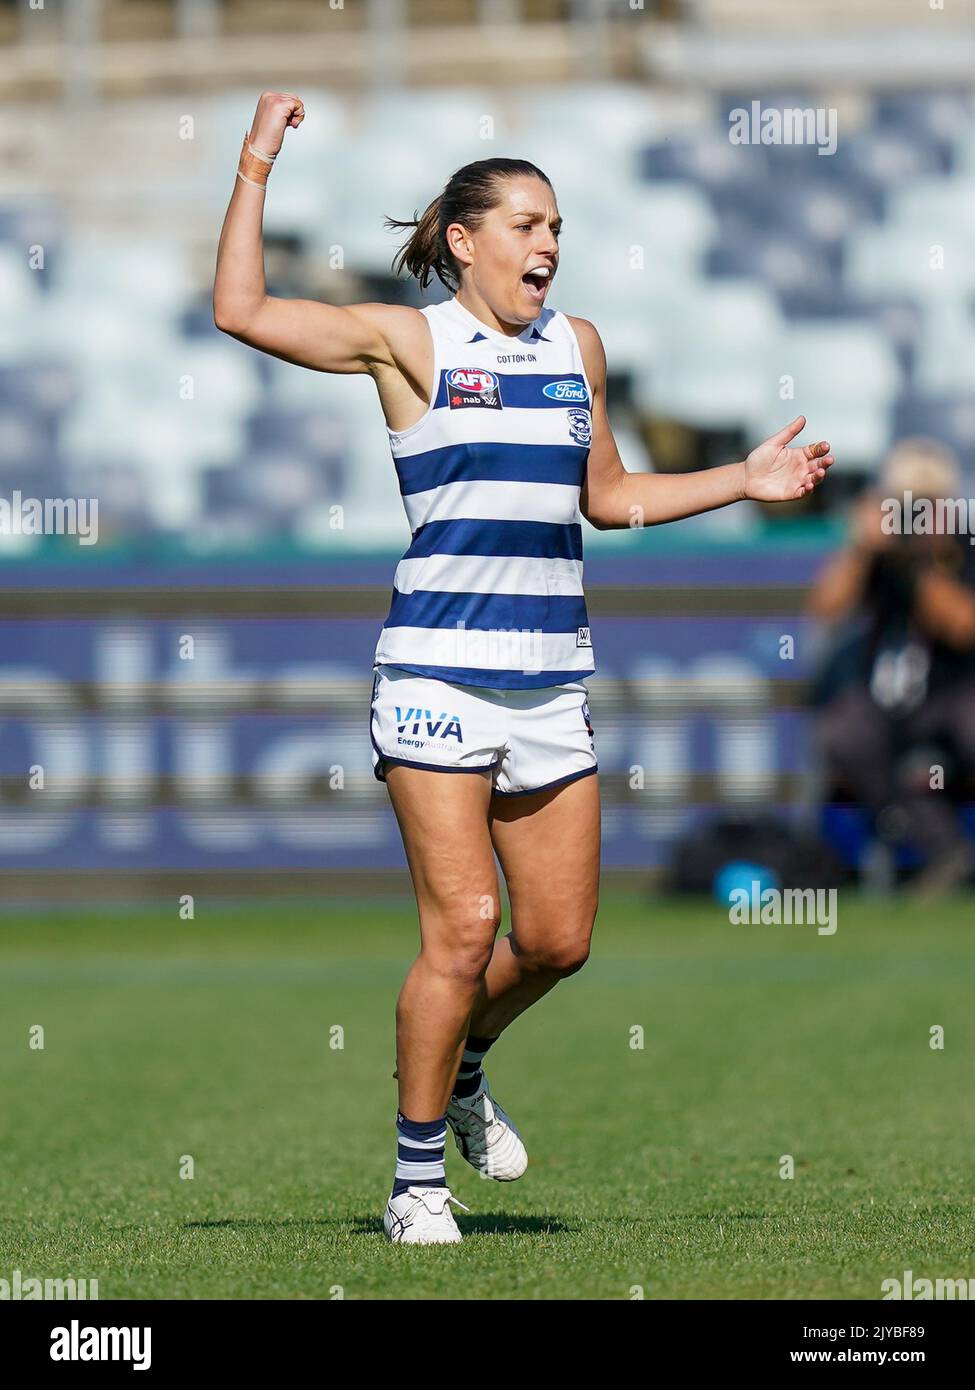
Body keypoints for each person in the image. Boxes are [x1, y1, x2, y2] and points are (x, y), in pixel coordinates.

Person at [213, 91, 834, 1244]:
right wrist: (257, 160)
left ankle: (464, 1065)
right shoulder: (408, 343)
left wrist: (740, 483)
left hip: (551, 683)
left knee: (556, 941)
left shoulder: (576, 346)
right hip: (437, 677)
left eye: (557, 228)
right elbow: (239, 309)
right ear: (463, 239)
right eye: (527, 224)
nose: (549, 245)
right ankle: (413, 1184)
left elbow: (610, 498)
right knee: (460, 930)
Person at [808, 438, 975, 896]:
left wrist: (921, 565)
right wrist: (861, 548)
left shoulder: (963, 547)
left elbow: (962, 626)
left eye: (925, 506)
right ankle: (939, 851)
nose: (913, 517)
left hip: (956, 692)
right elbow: (825, 608)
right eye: (905, 505)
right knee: (842, 732)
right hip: (889, 702)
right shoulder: (878, 558)